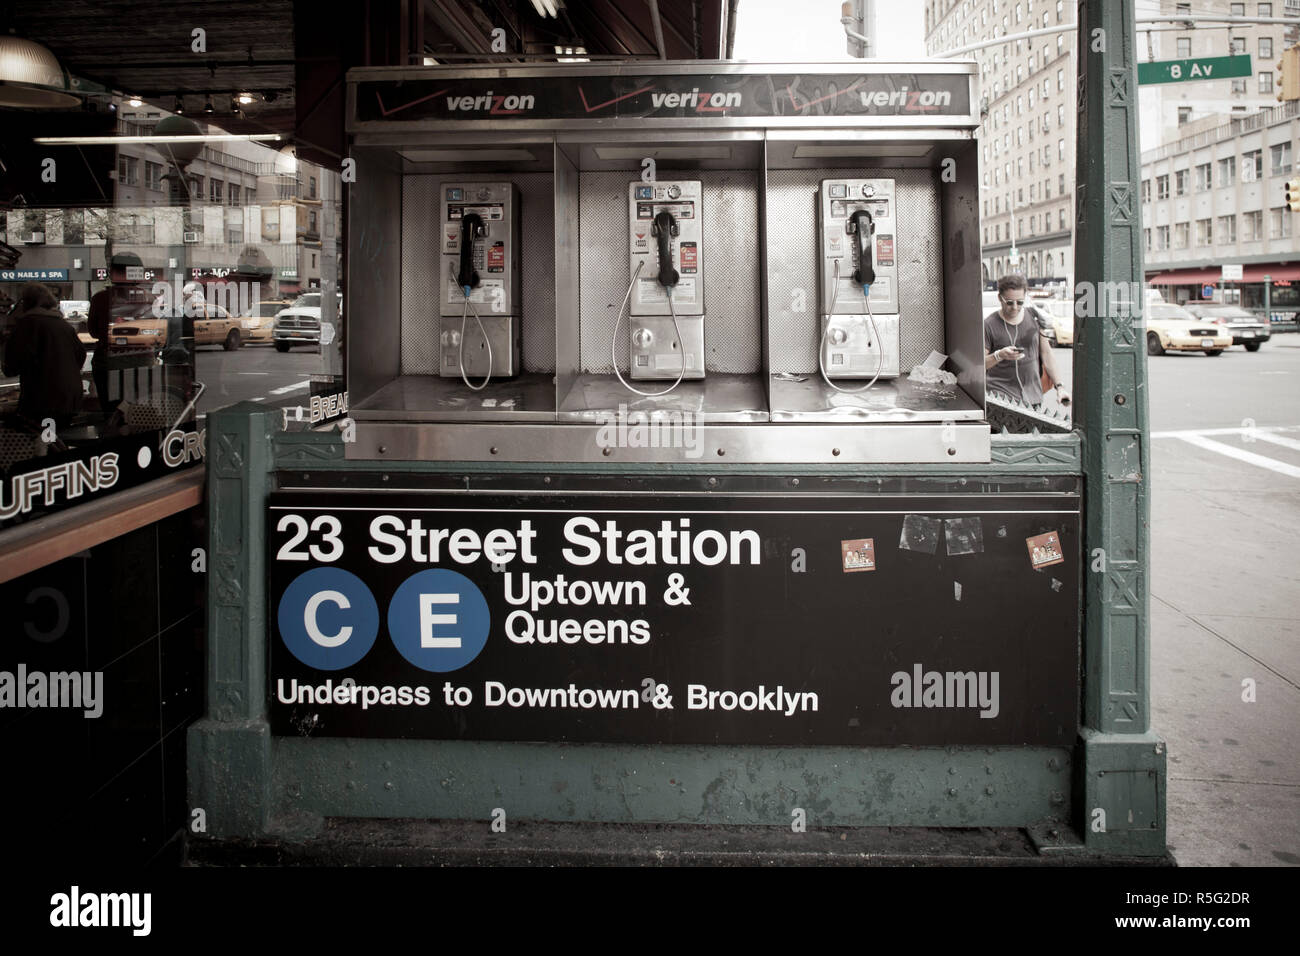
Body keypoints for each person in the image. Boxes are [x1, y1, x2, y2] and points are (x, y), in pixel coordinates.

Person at [1, 282, 86, 430]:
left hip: (41, 399)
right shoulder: (64, 326)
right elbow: (81, 355)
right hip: (70, 397)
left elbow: (11, 367)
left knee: (39, 442)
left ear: (27, 303)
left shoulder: (27, 325)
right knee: (59, 438)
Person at [983, 274, 1070, 408]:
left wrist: (1060, 387)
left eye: (1020, 302)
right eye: (1009, 302)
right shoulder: (989, 324)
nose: (1015, 307)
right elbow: (979, 364)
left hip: (1032, 397)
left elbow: (1046, 354)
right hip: (1000, 398)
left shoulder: (1033, 317)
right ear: (1000, 298)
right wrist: (999, 355)